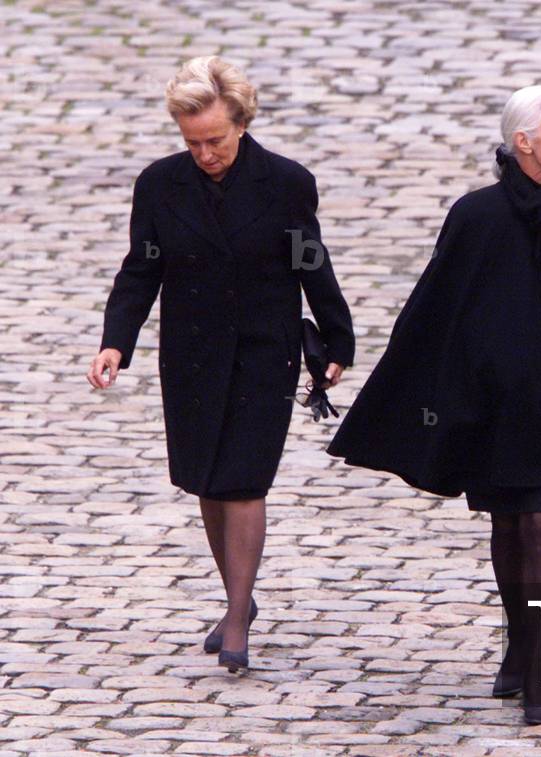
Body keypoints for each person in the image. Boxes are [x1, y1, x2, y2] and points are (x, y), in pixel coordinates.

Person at [327, 85, 541, 724]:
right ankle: (519, 645)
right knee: (508, 524)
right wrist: (518, 380)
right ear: (524, 142)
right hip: (493, 403)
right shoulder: (476, 216)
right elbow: (451, 316)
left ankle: (539, 672)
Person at [87, 56, 355, 674]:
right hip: (191, 353)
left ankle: (236, 614)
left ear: (241, 124)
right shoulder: (159, 184)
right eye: (193, 142)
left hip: (266, 347)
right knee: (207, 477)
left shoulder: (286, 182)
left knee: (244, 477)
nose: (205, 153)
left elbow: (312, 261)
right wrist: (115, 343)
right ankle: (239, 593)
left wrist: (338, 342)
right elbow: (141, 269)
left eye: (215, 140)